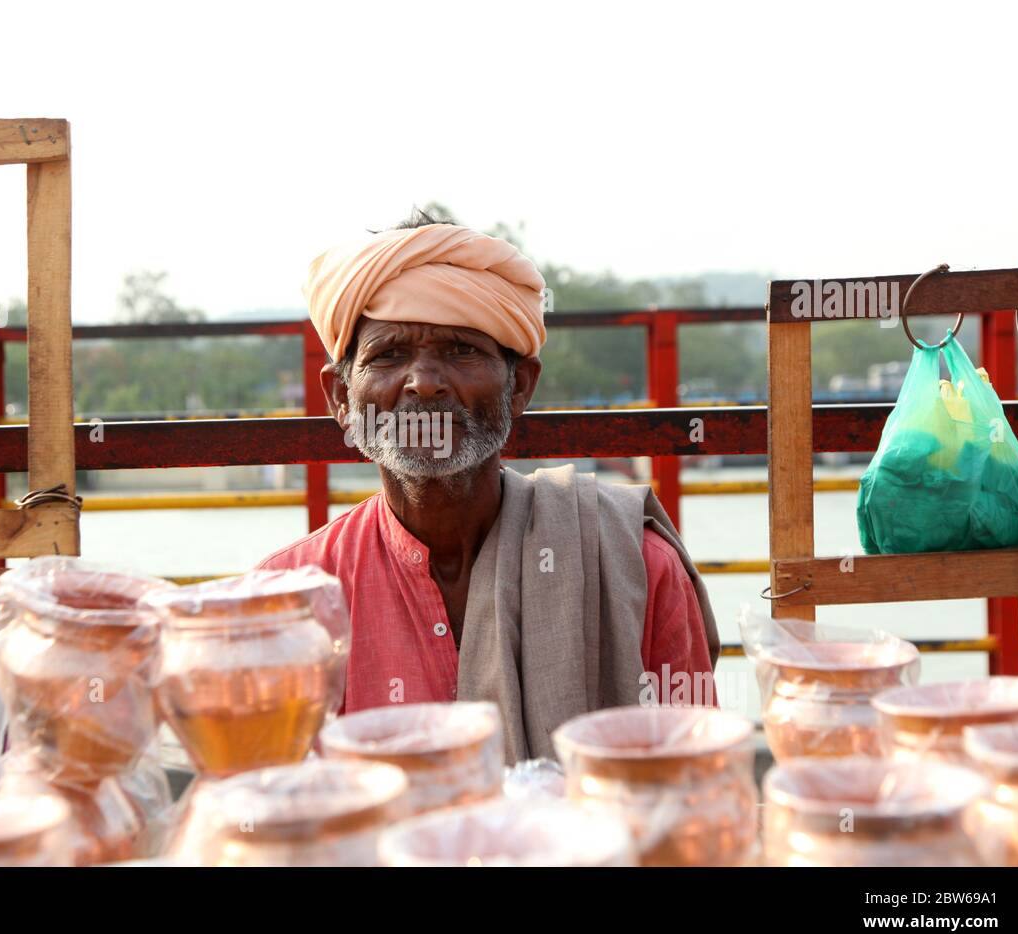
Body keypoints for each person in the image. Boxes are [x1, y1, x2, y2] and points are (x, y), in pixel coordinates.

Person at [257, 210, 719, 761]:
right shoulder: (287, 601)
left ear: (519, 386)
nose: (424, 384)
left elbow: (691, 786)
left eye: (461, 351)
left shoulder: (638, 568)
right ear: (339, 397)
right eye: (389, 354)